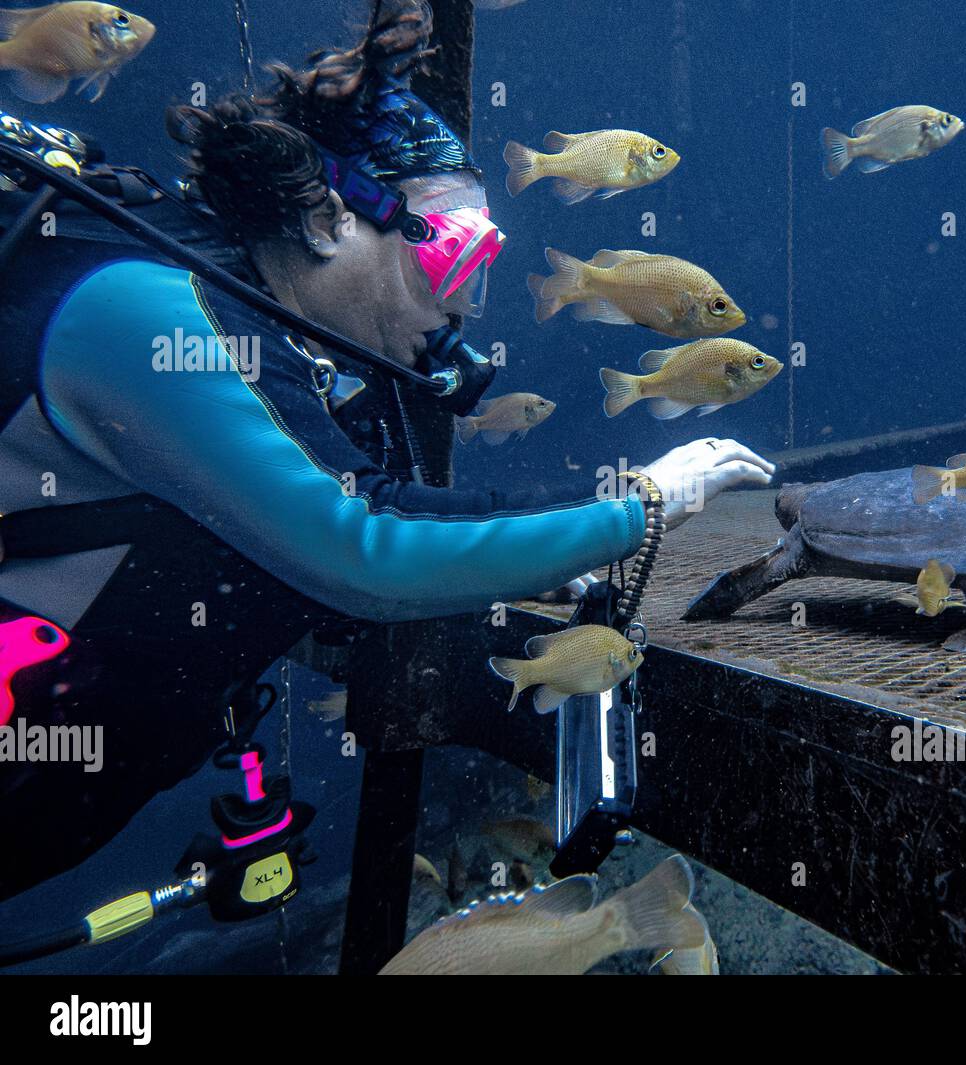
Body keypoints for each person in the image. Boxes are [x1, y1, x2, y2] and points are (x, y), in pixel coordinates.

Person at [0, 0, 773, 901]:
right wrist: (640, 507)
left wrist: (537, 562)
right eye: (451, 260)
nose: (468, 309)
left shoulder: (256, 332)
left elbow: (355, 501)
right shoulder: (143, 314)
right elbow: (364, 545)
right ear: (331, 219)